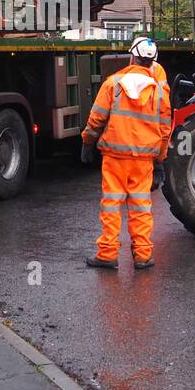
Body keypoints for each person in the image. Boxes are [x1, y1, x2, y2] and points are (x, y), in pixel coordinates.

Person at [81, 35, 173, 270]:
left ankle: (108, 255)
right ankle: (143, 256)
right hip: (143, 160)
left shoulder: (113, 83)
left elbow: (97, 118)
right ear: (152, 62)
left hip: (115, 157)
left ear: (132, 56)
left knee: (111, 205)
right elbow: (164, 130)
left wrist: (87, 142)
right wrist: (160, 161)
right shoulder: (159, 92)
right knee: (141, 207)